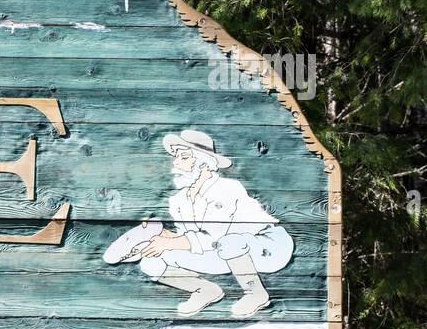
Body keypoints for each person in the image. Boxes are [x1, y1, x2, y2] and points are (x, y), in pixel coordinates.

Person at [103, 130, 293, 318]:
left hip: (267, 247)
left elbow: (214, 236)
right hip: (223, 252)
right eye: (176, 157)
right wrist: (158, 240)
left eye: (184, 157)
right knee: (152, 261)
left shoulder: (227, 188)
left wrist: (169, 243)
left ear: (204, 164)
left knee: (230, 241)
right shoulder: (178, 200)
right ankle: (205, 291)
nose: (175, 163)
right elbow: (191, 237)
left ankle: (255, 293)